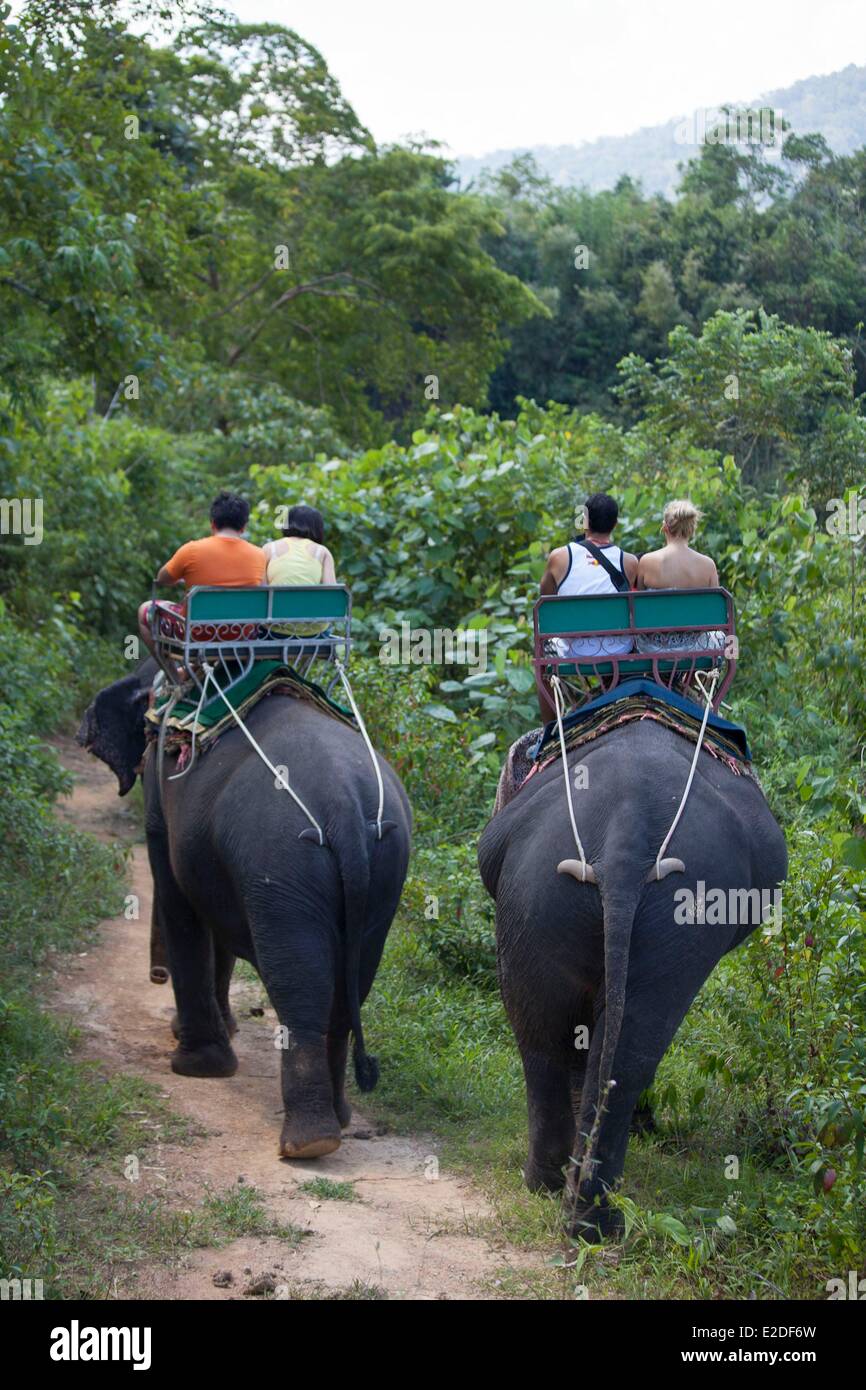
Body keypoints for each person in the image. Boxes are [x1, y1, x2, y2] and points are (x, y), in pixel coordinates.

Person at [537, 492, 638, 719]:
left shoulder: (559, 558)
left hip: (573, 650)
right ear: (615, 524)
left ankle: (550, 730)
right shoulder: (630, 562)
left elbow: (545, 603)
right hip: (617, 649)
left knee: (542, 654)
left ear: (584, 520)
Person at [137, 491, 265, 657]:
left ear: (213, 523)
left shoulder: (191, 550)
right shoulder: (259, 555)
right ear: (243, 527)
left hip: (196, 634)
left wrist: (181, 575)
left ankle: (174, 676)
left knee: (144, 610)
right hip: (242, 634)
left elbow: (162, 579)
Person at [635, 498, 724, 653]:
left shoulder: (647, 561)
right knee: (721, 636)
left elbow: (640, 604)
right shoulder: (708, 565)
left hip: (653, 646)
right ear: (692, 529)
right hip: (695, 646)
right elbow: (713, 613)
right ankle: (699, 677)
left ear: (665, 527)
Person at [262, 504, 336, 638]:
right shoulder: (322, 552)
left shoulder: (269, 549)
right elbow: (332, 596)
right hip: (313, 631)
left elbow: (261, 591)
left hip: (274, 629)